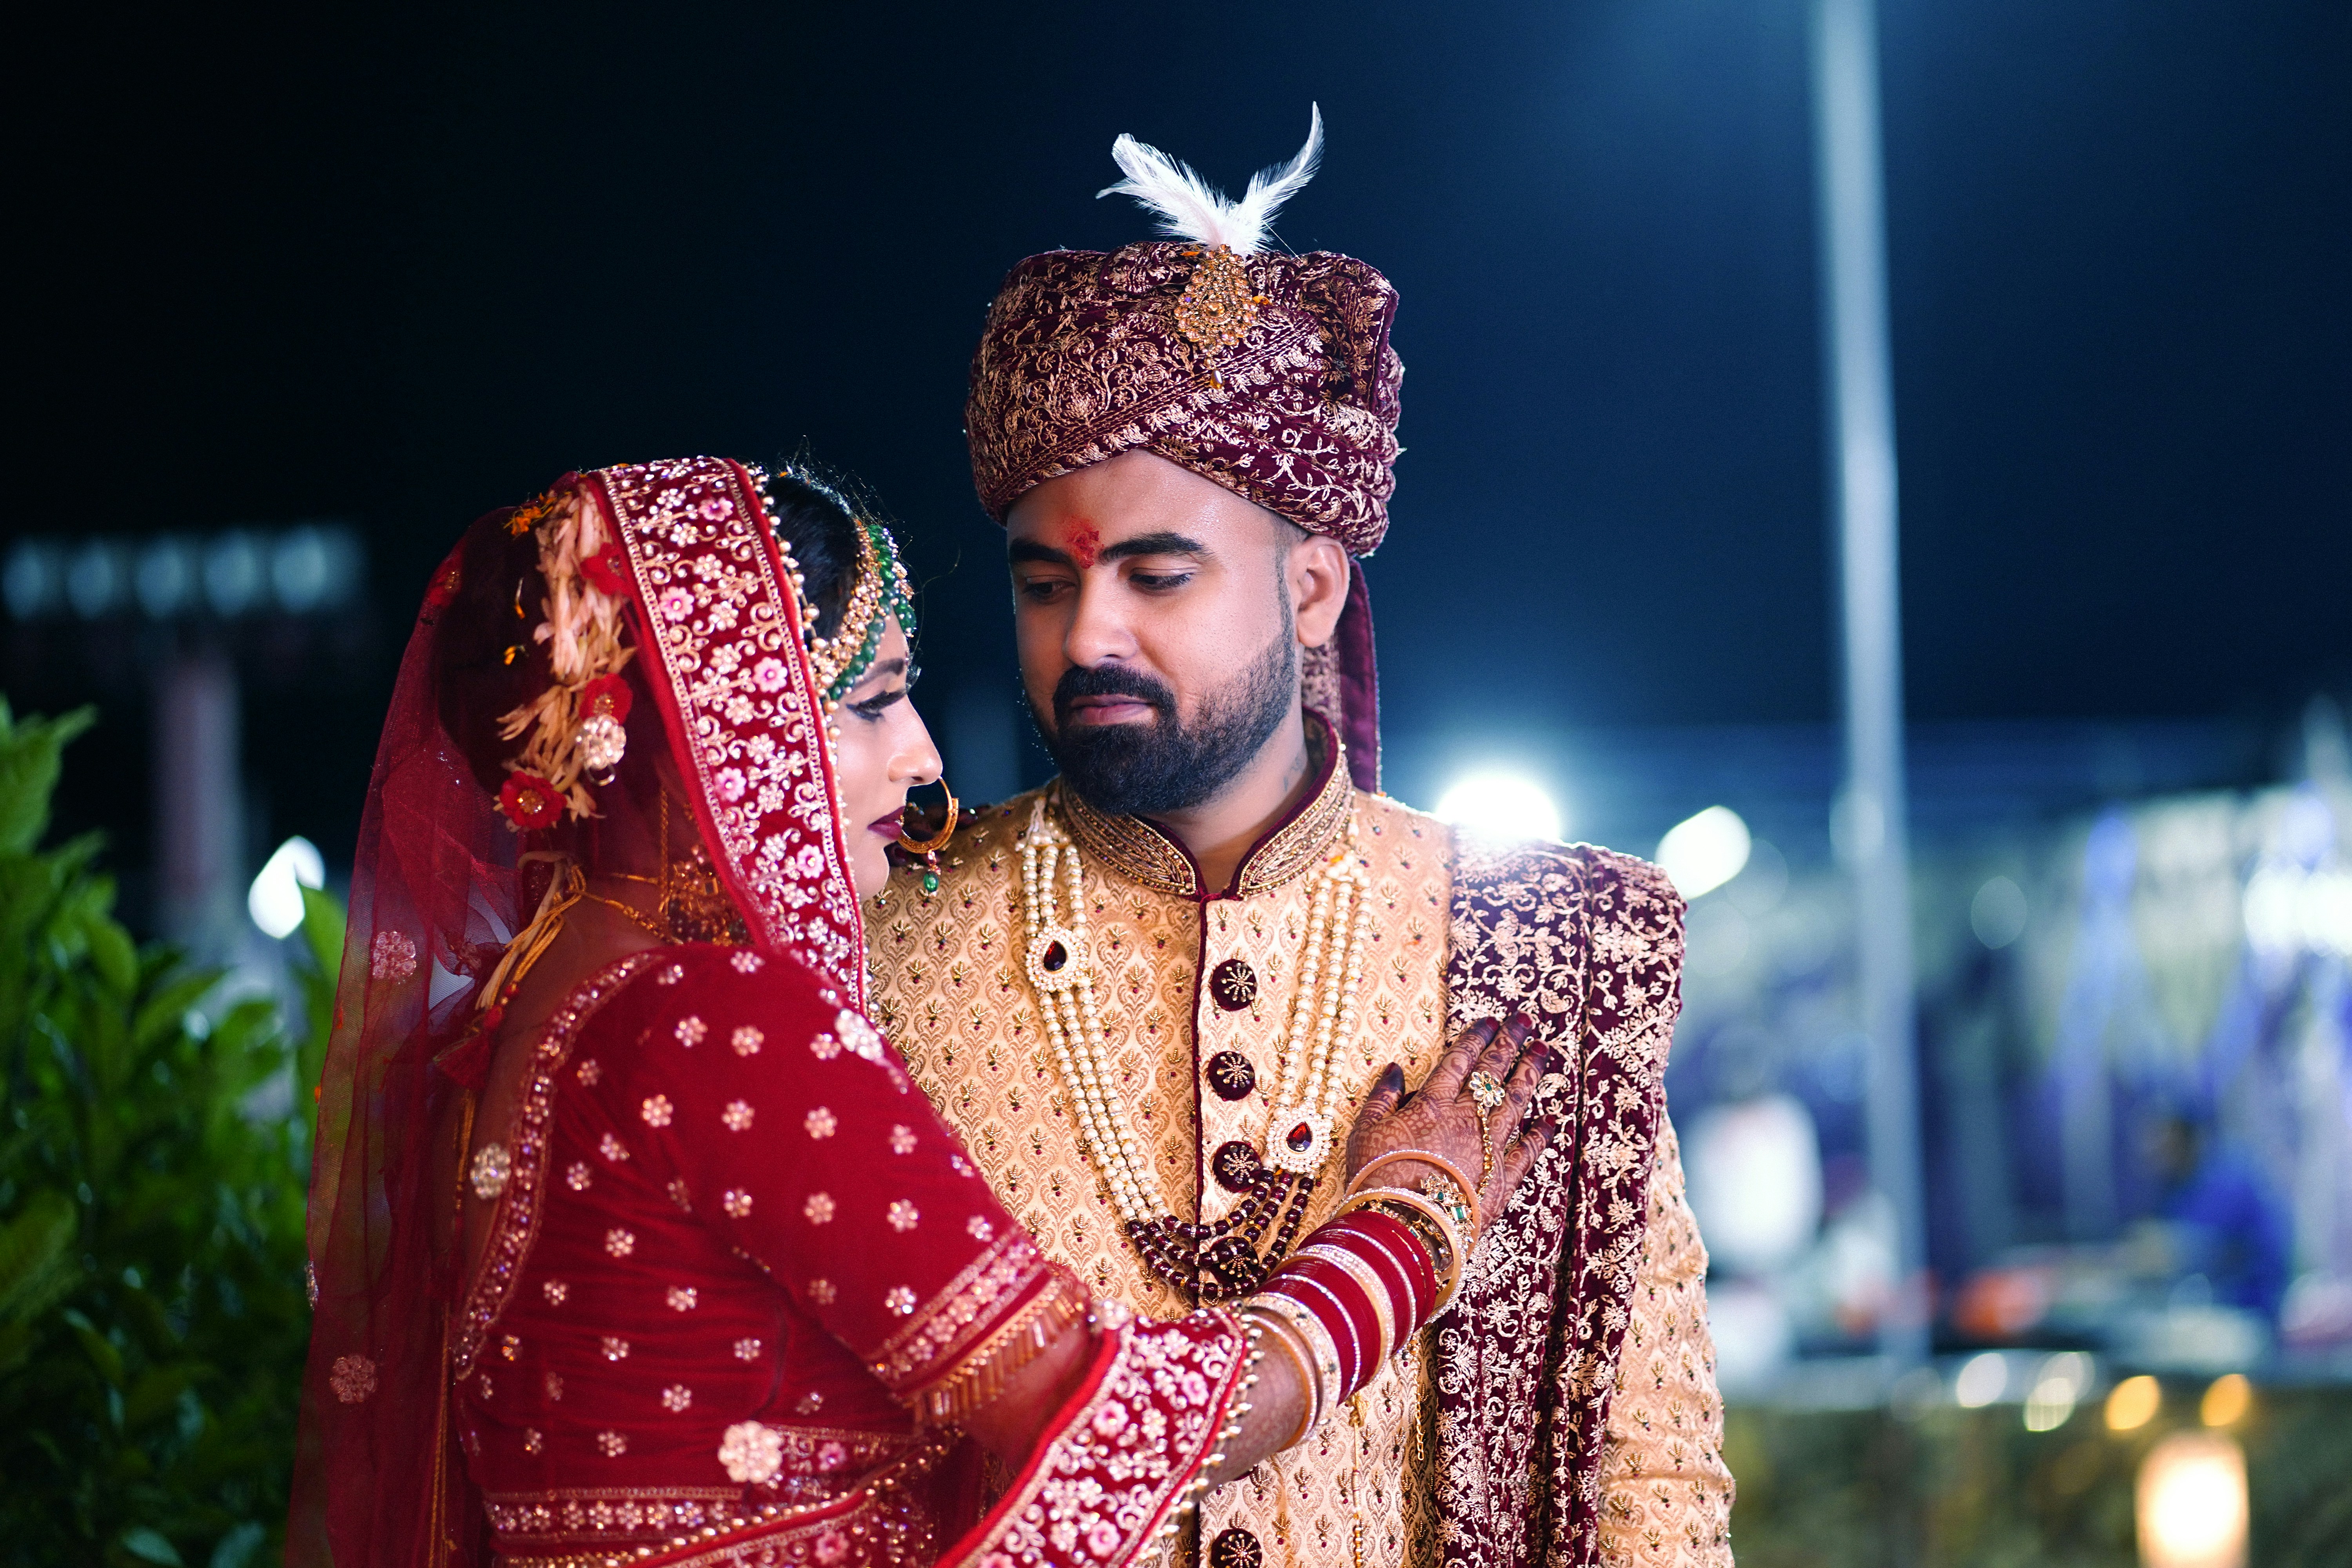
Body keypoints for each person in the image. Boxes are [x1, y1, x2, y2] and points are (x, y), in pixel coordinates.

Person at [288, 454, 1557, 1568]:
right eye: (869, 701)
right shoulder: (717, 1020)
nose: (924, 759)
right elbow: (1098, 1418)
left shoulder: (529, 1000)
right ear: (719, 726)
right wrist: (1405, 1232)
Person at [867, 116, 1735, 1568]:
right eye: (1043, 585)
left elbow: (1643, 1469)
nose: (1090, 636)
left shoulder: (1540, 946)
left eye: (1158, 575)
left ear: (1315, 587)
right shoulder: (894, 936)